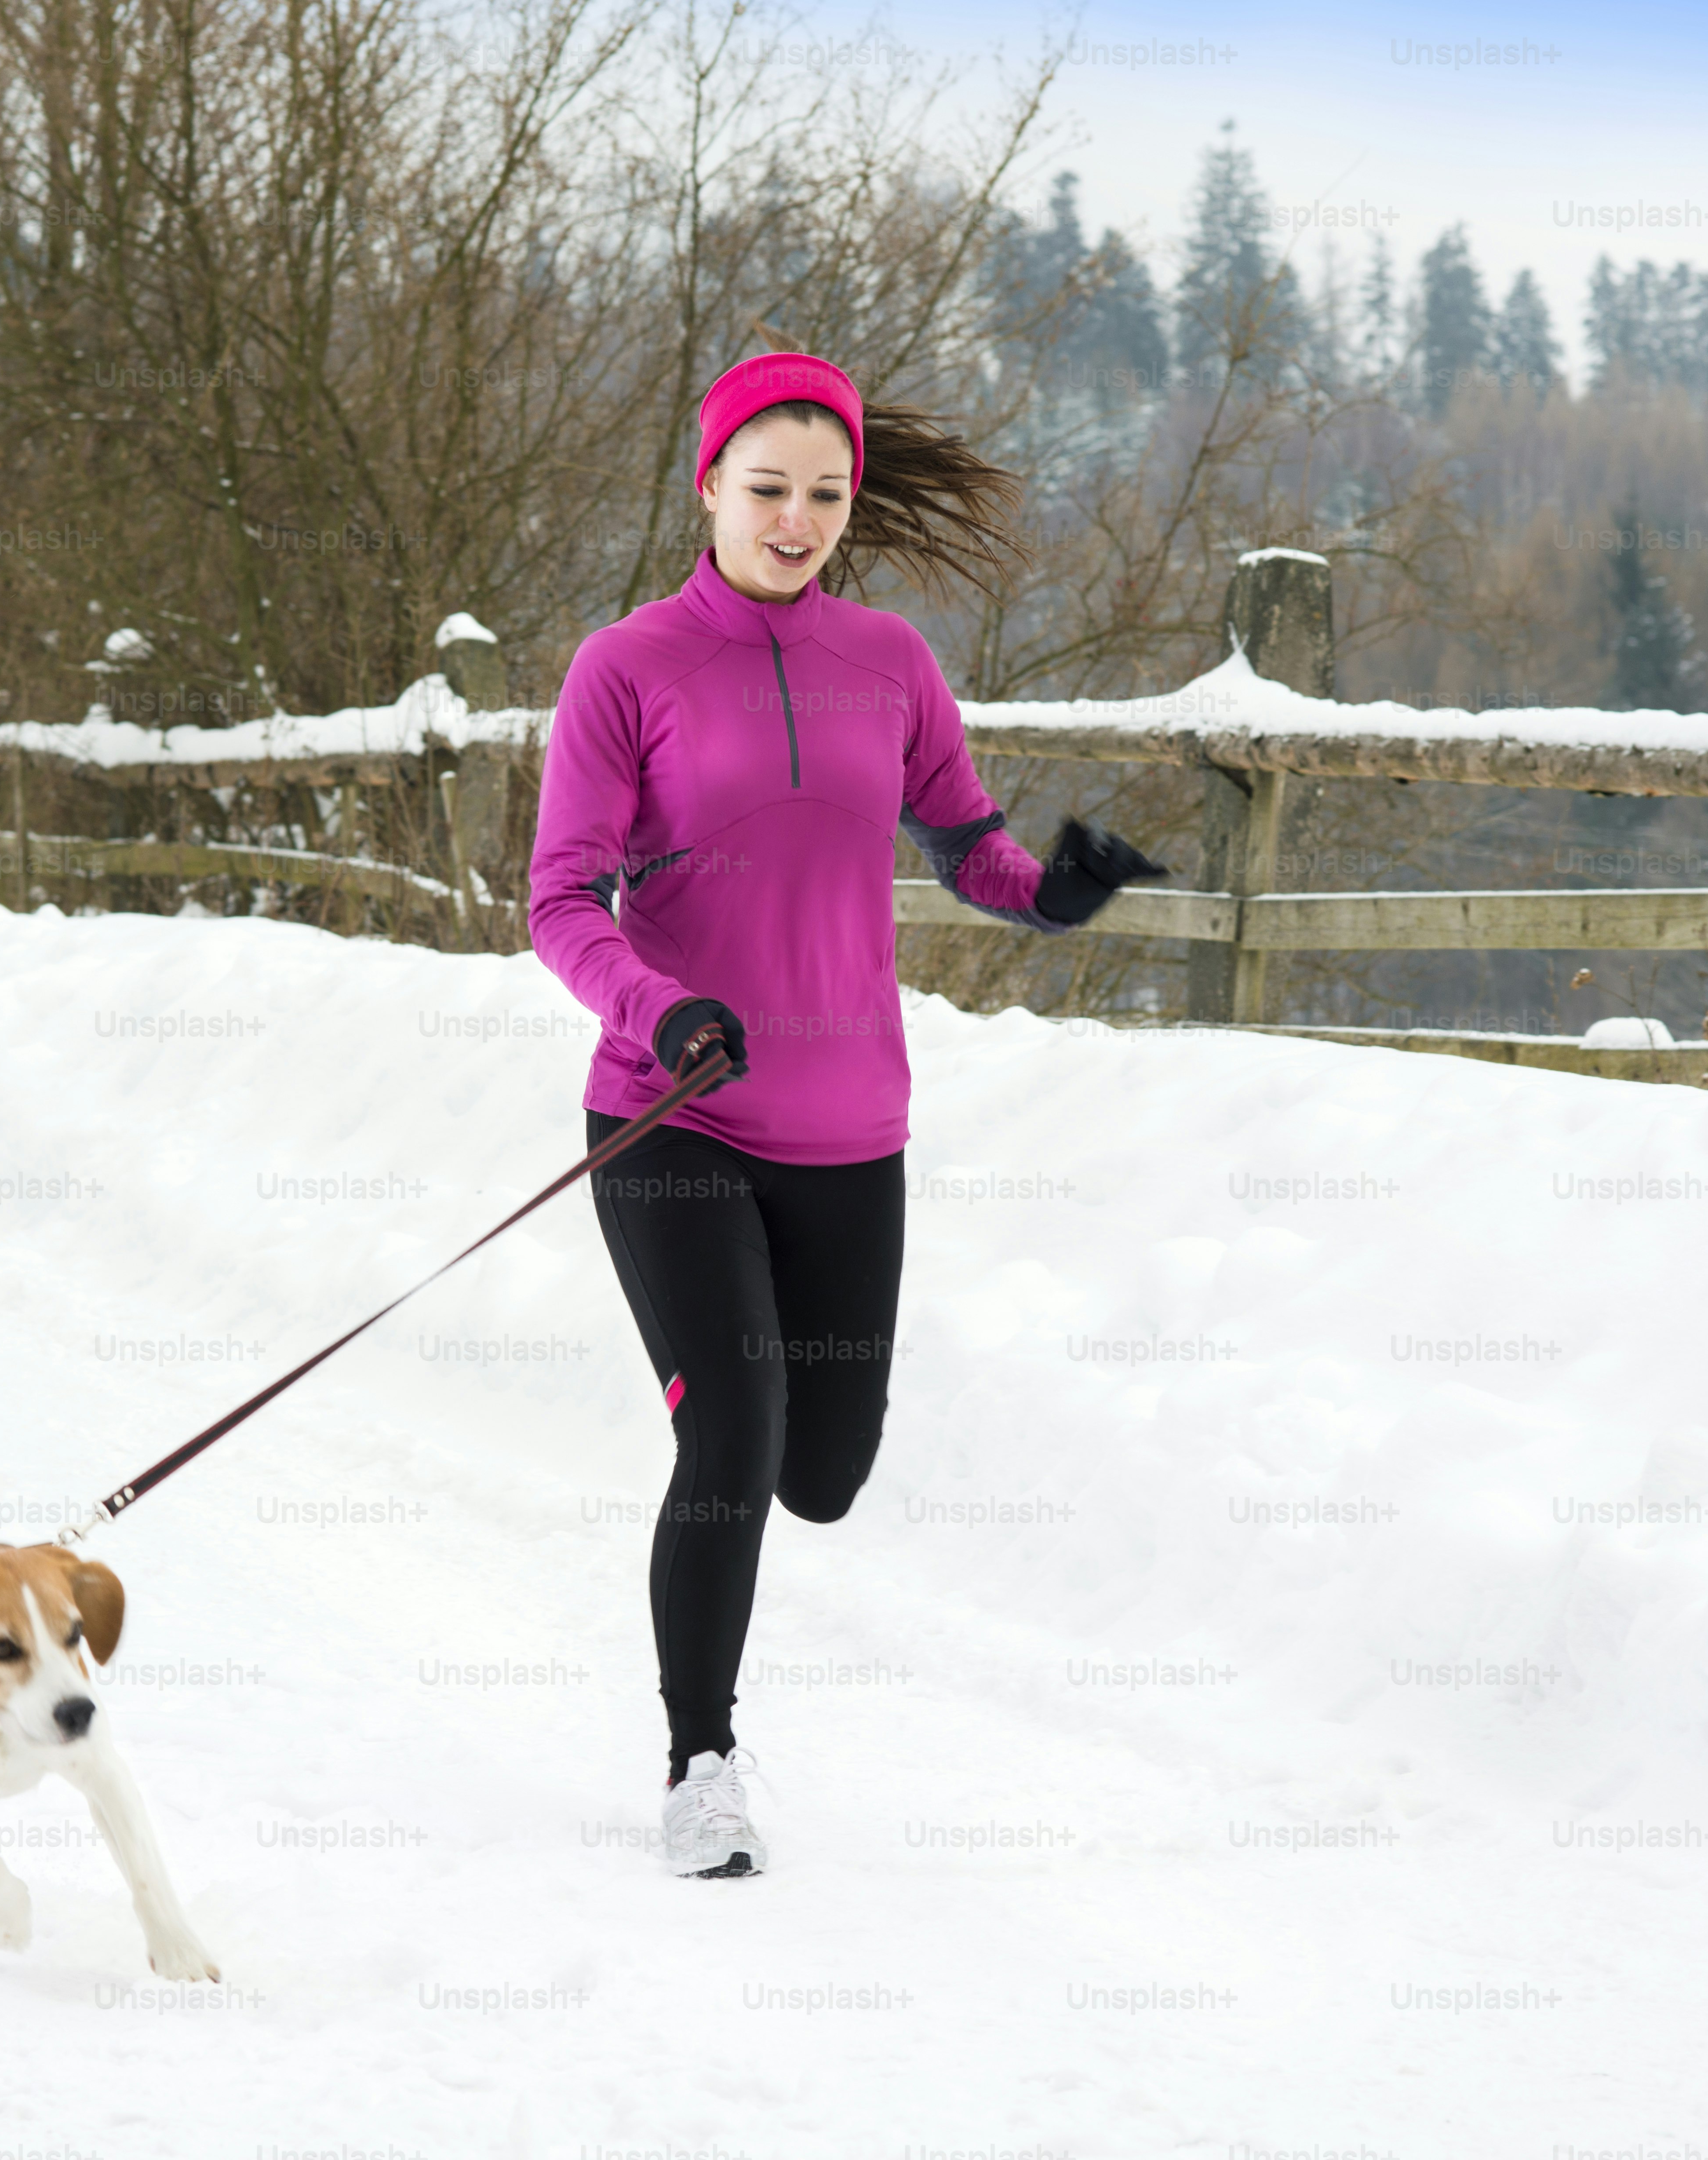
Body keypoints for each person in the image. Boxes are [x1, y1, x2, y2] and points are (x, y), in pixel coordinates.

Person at [526, 350, 1166, 1878]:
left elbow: (967, 846)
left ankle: (723, 1675)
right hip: (672, 1110)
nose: (798, 518)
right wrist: (655, 1004)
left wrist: (1055, 892)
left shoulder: (891, 660)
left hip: (849, 1127)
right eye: (769, 490)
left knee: (825, 1474)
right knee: (738, 1441)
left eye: (827, 492)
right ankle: (702, 1766)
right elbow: (563, 898)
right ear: (709, 490)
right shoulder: (629, 667)